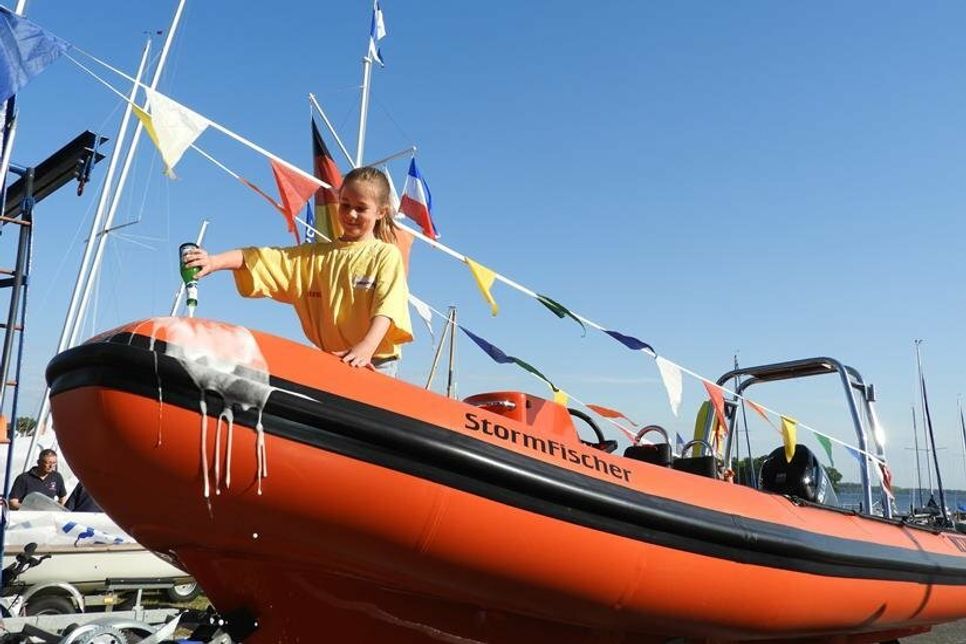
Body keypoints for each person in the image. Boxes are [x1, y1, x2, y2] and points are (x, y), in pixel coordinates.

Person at [185, 166, 413, 376]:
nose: (351, 214)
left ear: (381, 212)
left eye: (361, 208)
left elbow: (387, 308)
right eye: (345, 205)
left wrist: (366, 348)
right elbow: (259, 258)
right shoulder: (312, 257)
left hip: (375, 360)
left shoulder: (385, 255)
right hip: (332, 359)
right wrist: (213, 262)